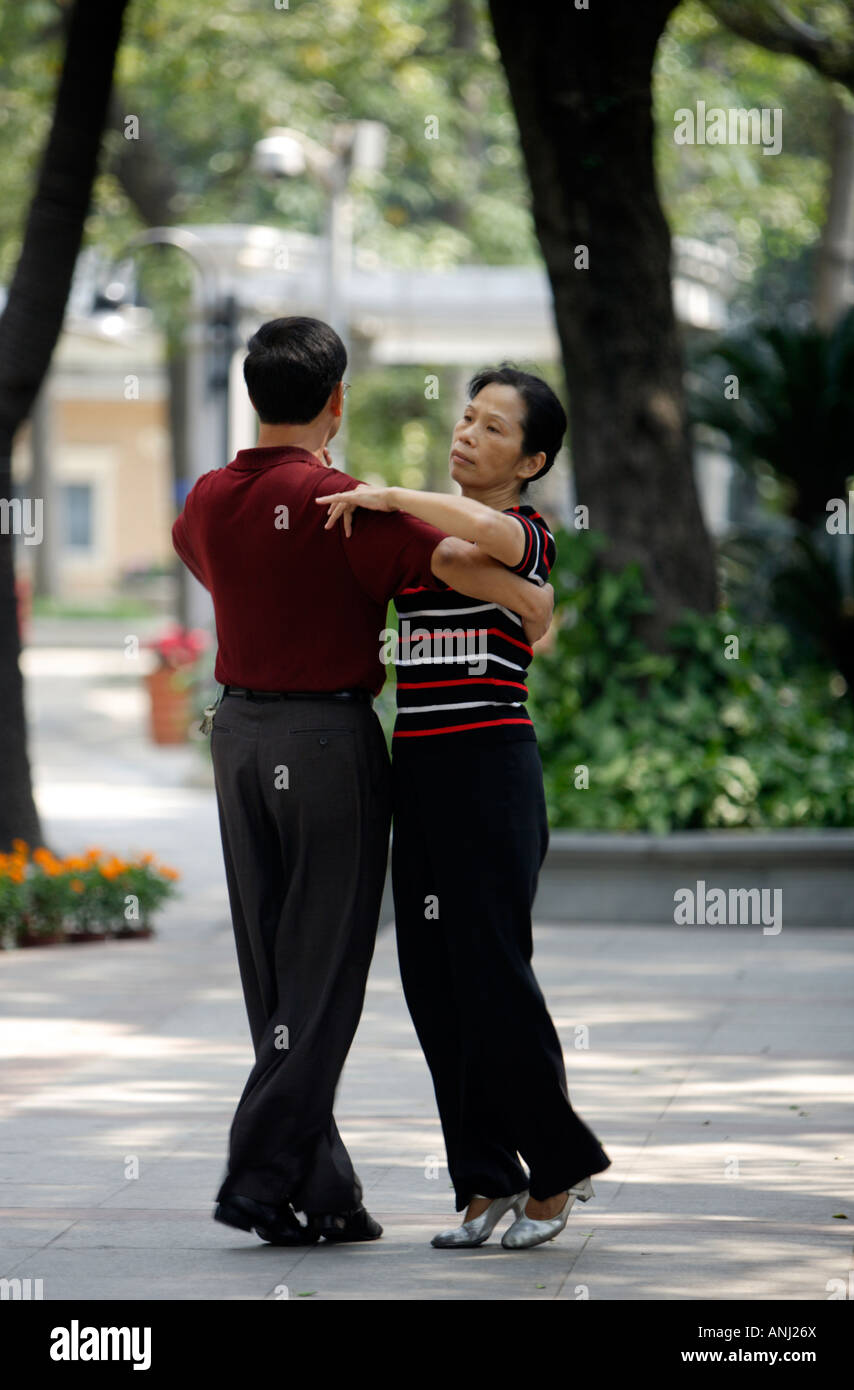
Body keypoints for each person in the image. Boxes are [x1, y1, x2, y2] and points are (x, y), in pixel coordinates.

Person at [171, 320, 555, 1247]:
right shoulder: (348, 503)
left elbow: (212, 562)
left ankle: (327, 1193)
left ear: (254, 394)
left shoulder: (205, 499)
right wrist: (536, 603)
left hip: (237, 737)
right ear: (336, 402)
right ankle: (260, 1176)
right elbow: (467, 567)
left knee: (269, 964)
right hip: (328, 741)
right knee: (328, 970)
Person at [317, 364, 612, 1250]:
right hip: (422, 772)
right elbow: (442, 558)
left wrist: (401, 498)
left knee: (492, 977)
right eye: (466, 418)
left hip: (491, 772)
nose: (466, 435)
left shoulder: (530, 532)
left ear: (533, 461)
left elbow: (473, 541)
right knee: (432, 986)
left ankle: (558, 1169)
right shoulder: (423, 542)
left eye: (492, 429)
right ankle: (483, 1182)